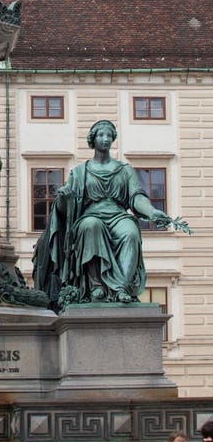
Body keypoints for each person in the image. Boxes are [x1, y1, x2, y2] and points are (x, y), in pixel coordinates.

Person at [33, 119, 185, 307]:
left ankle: (122, 287)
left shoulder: (124, 170)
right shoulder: (80, 172)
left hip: (118, 215)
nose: (105, 139)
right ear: (93, 139)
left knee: (130, 232)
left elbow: (136, 197)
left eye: (109, 135)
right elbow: (65, 208)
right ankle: (96, 285)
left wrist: (152, 212)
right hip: (90, 215)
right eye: (101, 135)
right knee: (91, 226)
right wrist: (64, 198)